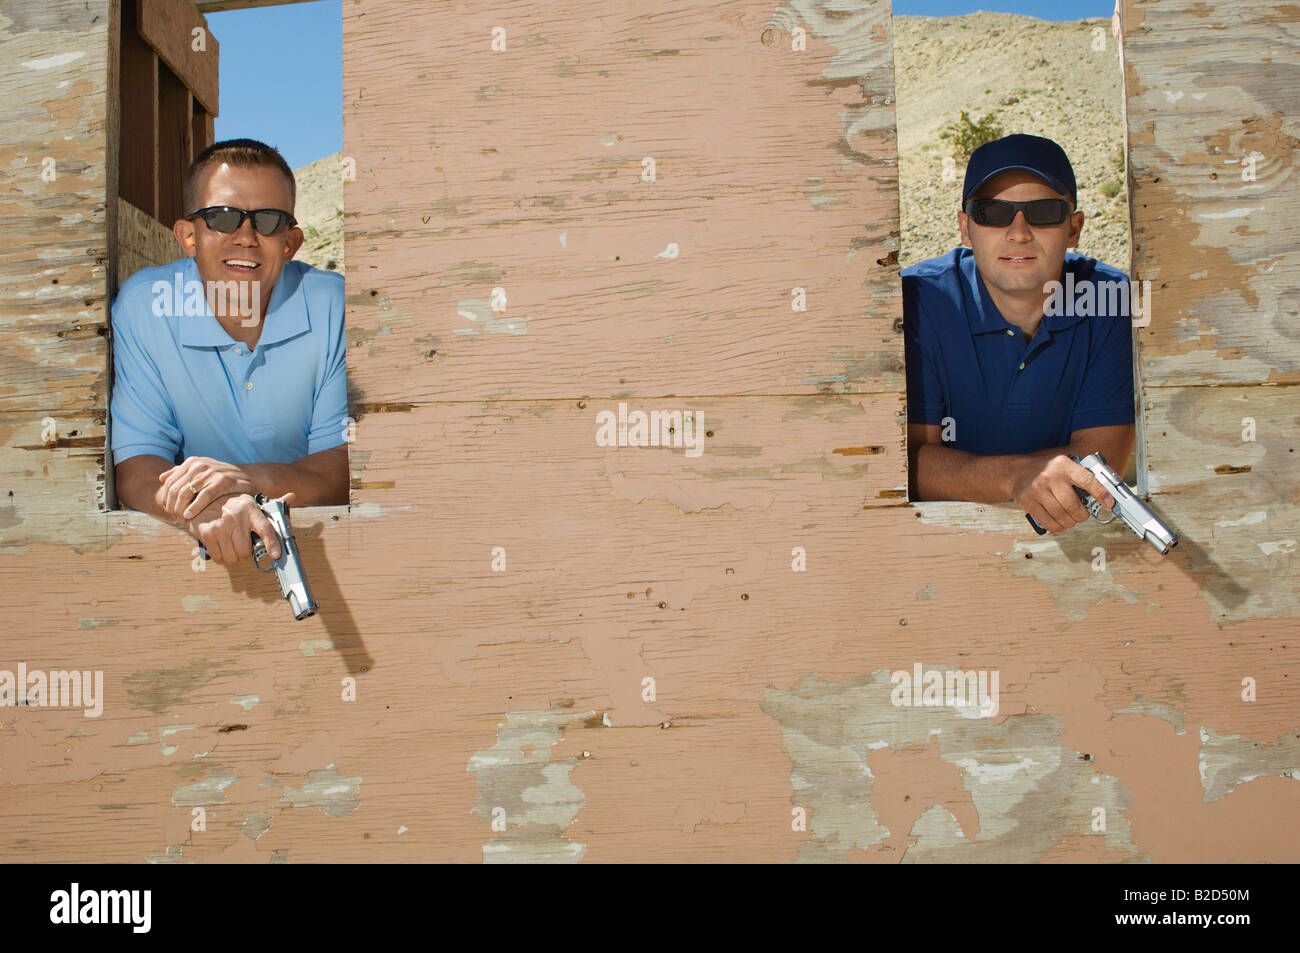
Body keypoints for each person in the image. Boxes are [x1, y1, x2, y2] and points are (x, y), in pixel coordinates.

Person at [111, 139, 349, 564]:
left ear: (291, 243)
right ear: (188, 236)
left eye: (268, 220)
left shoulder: (333, 305)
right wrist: (205, 509)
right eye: (221, 217)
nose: (246, 237)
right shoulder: (146, 307)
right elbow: (135, 470)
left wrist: (245, 482)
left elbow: (342, 468)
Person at [903, 133, 1136, 533]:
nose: (1019, 231)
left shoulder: (1107, 299)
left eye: (1043, 211)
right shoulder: (919, 300)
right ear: (965, 227)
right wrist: (1017, 478)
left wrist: (975, 474)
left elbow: (1100, 463)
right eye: (993, 213)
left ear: (1074, 228)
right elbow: (909, 465)